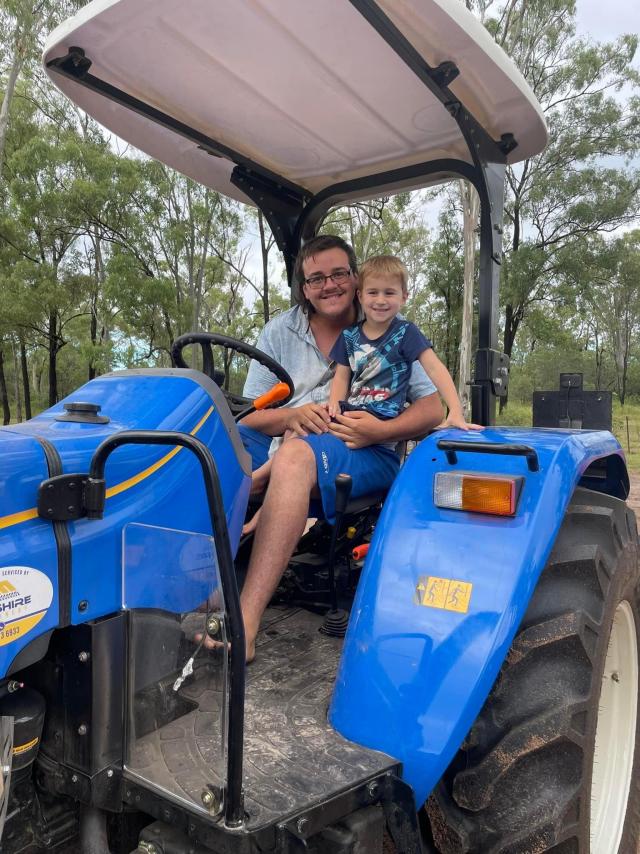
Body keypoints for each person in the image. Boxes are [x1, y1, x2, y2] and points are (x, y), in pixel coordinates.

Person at [237, 235, 444, 661]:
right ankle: (194, 592)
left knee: (294, 457)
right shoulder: (279, 330)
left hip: (360, 445)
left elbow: (432, 409)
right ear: (303, 287)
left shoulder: (389, 330)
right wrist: (292, 416)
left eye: (337, 274)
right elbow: (251, 414)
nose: (328, 285)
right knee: (203, 451)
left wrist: (378, 432)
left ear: (354, 278)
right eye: (316, 278)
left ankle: (245, 620)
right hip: (289, 436)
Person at [327, 254, 479, 433]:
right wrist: (334, 409)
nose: (381, 300)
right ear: (360, 296)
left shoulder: (406, 332)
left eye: (389, 293)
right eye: (373, 292)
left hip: (383, 415)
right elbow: (341, 377)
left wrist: (455, 409)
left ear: (404, 297)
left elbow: (434, 368)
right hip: (352, 414)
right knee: (302, 436)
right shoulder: (349, 336)